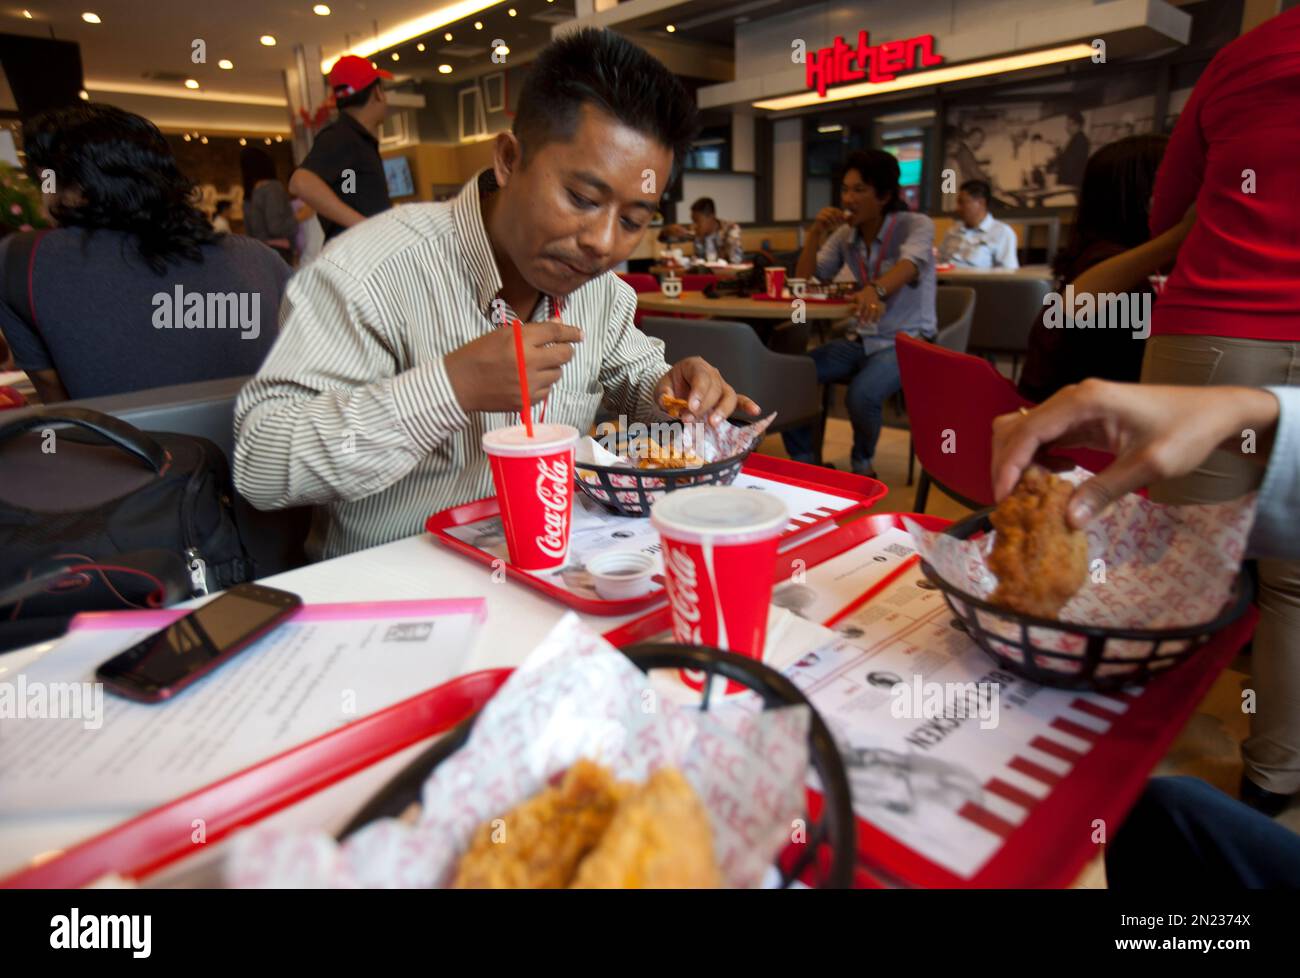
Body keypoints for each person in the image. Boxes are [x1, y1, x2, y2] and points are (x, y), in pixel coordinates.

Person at [233, 29, 760, 561]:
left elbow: (634, 383)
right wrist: (449, 388)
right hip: (397, 596)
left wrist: (671, 390)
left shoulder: (599, 291)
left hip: (555, 575)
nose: (602, 242)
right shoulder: (367, 272)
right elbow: (262, 463)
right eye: (580, 197)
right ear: (509, 159)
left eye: (631, 220)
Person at [1139, 4, 1300, 815]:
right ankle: (1274, 778)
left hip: (1214, 337)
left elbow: (1165, 210)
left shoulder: (1244, 58)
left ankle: (1120, 775)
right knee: (1296, 592)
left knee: (1175, 574)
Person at [0, 103, 287, 404]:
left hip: (120, 448)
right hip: (267, 445)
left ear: (75, 186)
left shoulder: (20, 262)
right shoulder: (260, 259)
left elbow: (60, 406)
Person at [780, 149, 936, 477]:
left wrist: (876, 289)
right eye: (845, 189)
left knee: (861, 394)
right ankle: (807, 463)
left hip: (907, 341)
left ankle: (862, 464)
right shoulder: (844, 235)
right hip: (860, 338)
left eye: (859, 190)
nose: (848, 198)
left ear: (885, 195)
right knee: (793, 374)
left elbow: (910, 265)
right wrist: (813, 235)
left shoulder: (915, 225)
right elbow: (806, 280)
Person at [1018, 134, 1171, 403]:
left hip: (1048, 415)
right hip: (1079, 431)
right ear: (1145, 195)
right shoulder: (1119, 277)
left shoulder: (1092, 258)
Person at [288, 55, 393, 243]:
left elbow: (349, 189)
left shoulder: (354, 142)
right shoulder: (343, 136)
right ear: (377, 92)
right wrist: (364, 226)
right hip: (356, 256)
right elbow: (300, 182)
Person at [937, 179, 1018, 269]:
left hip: (976, 282)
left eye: (962, 203)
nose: (957, 208)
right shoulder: (952, 231)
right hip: (943, 281)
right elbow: (938, 262)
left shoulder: (1002, 232)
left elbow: (1008, 273)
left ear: (980, 203)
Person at [240, 146, 297, 264]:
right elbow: (276, 227)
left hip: (258, 253)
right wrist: (300, 216)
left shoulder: (249, 194)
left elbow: (249, 230)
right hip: (278, 253)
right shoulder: (272, 188)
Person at [657, 196, 744, 264]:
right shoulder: (695, 232)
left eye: (697, 221)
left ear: (711, 217)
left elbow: (735, 260)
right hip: (702, 277)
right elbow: (663, 238)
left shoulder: (730, 229)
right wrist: (669, 230)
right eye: (693, 221)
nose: (694, 225)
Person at [1050, 111, 1089, 188]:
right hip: (1072, 181)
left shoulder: (1079, 140)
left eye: (1069, 124)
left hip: (1070, 182)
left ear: (1077, 125)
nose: (1066, 127)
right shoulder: (1078, 139)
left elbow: (1069, 163)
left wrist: (1058, 150)